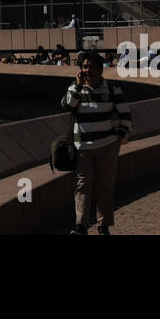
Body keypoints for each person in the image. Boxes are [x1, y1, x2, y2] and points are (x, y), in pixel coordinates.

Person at [61, 51, 131, 234]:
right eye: (84, 67)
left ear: (100, 70)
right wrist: (78, 85)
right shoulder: (74, 89)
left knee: (105, 186)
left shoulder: (112, 89)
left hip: (107, 145)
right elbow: (68, 105)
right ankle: (81, 225)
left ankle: (103, 224)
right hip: (83, 147)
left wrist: (120, 137)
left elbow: (126, 114)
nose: (87, 70)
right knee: (82, 185)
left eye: (91, 67)